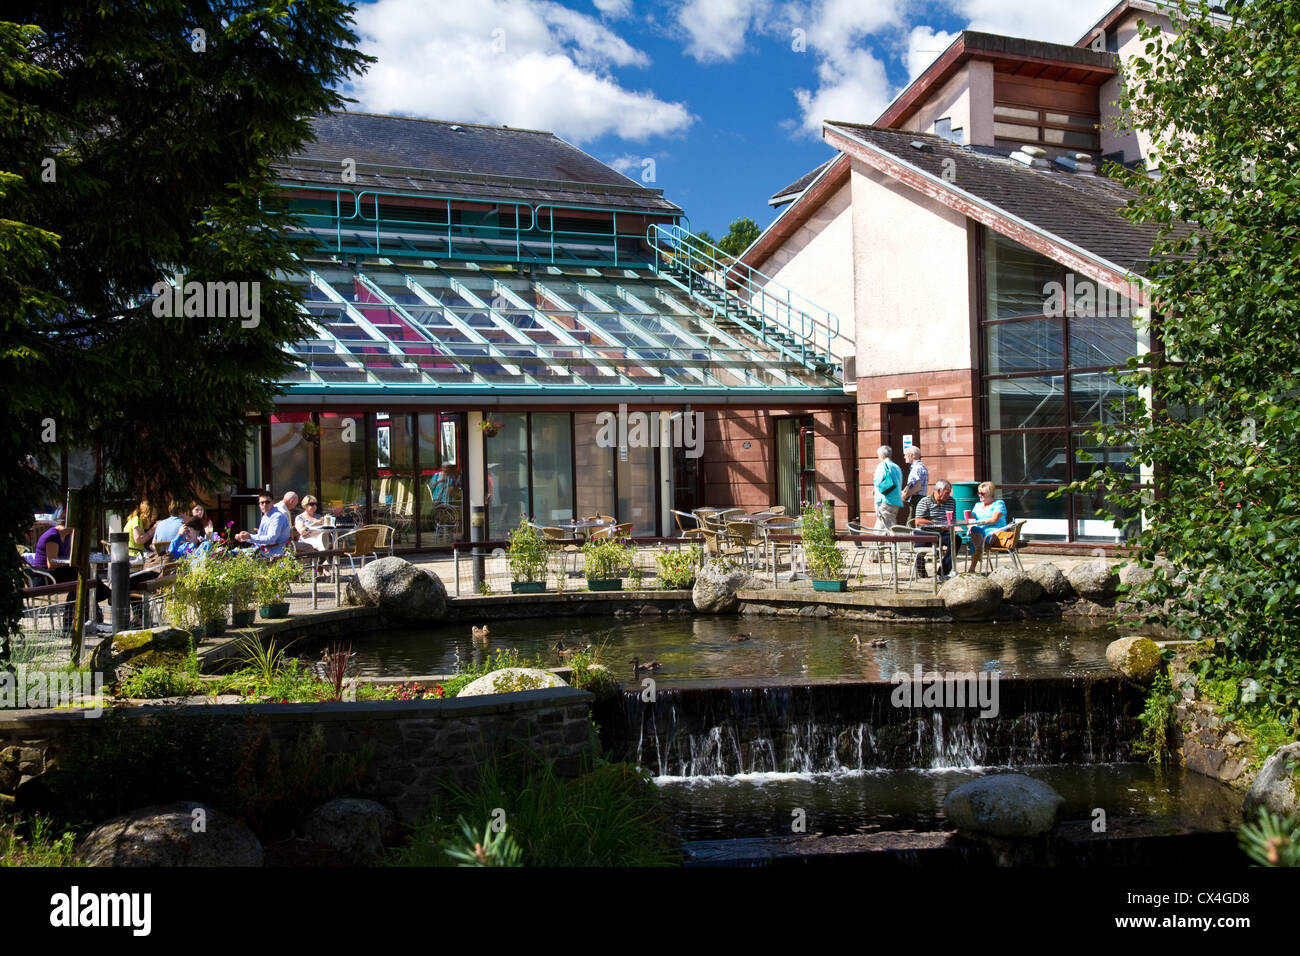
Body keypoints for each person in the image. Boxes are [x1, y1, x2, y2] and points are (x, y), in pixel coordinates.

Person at [913, 479, 957, 581]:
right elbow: (918, 521)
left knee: (955, 540)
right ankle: (920, 566)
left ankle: (943, 572)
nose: (949, 495)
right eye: (947, 493)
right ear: (938, 491)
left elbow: (952, 519)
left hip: (942, 532)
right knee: (920, 549)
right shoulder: (924, 502)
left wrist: (950, 526)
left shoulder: (951, 501)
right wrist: (936, 524)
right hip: (924, 531)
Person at [966, 480, 1009, 574]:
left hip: (995, 534)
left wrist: (978, 523)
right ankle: (979, 549)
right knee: (974, 531)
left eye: (982, 493)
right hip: (979, 533)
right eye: (978, 493)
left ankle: (972, 567)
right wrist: (970, 527)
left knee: (975, 534)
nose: (979, 495)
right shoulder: (977, 505)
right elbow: (971, 521)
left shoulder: (999, 503)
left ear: (990, 493)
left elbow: (994, 520)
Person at [872, 445, 904, 532]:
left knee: (883, 527)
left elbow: (878, 482)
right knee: (888, 524)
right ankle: (879, 544)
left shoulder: (882, 465)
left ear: (882, 455)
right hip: (896, 500)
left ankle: (877, 545)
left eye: (878, 456)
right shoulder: (897, 467)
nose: (878, 458)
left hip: (885, 500)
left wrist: (874, 477)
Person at [900, 446, 929, 523]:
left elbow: (917, 486)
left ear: (912, 455)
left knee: (911, 524)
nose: (904, 457)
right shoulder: (921, 467)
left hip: (917, 499)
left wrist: (905, 494)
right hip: (920, 498)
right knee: (915, 522)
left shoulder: (916, 468)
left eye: (906, 454)